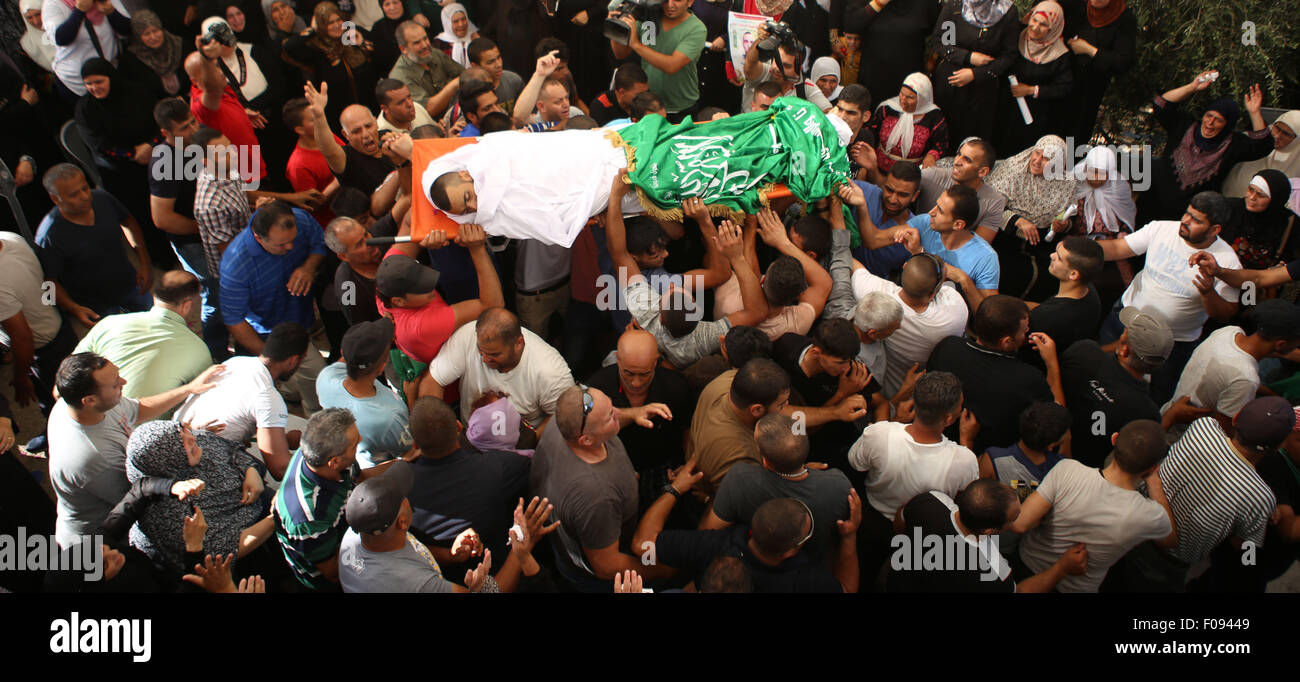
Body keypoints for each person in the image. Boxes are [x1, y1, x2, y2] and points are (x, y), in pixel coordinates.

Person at [48, 352, 222, 548]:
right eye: (115, 383)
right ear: (89, 401)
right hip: (99, 546)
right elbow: (140, 496)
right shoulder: (92, 457)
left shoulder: (91, 405)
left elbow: (138, 410)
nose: (124, 381)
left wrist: (189, 389)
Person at [1128, 398, 1291, 592]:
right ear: (1278, 447)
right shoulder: (1260, 496)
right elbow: (1242, 546)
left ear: (1237, 417)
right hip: (1166, 562)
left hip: (1133, 522)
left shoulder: (1203, 426)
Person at [1097, 191, 1241, 404]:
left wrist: (1208, 293)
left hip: (1173, 345)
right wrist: (1082, 248)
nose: (1185, 221)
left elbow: (1225, 314)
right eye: (1187, 214)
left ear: (1215, 229)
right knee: (1100, 376)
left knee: (1150, 398)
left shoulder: (1228, 262)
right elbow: (1119, 248)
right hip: (1124, 322)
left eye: (1196, 220)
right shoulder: (1161, 228)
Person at [1010, 419, 1176, 592]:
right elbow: (1169, 539)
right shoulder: (1148, 514)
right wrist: (1154, 482)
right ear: (1153, 467)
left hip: (1026, 569)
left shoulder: (1067, 470)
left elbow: (1021, 523)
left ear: (1114, 439)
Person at [339, 462, 555, 593]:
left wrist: (450, 556)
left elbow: (406, 549)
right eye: (404, 496)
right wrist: (522, 548)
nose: (408, 495)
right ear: (402, 522)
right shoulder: (419, 584)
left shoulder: (359, 531)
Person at [848, 370, 980, 579]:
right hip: (920, 537)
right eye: (960, 407)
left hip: (872, 522)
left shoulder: (878, 434)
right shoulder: (963, 459)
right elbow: (966, 499)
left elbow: (856, 463)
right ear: (948, 418)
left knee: (865, 571)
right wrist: (967, 441)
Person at [529, 384, 660, 590]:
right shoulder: (596, 497)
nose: (618, 412)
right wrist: (661, 571)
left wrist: (634, 413)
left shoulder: (565, 418)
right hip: (596, 575)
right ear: (586, 440)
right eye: (610, 417)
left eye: (611, 407)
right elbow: (606, 566)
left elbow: (600, 416)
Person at [637, 478, 861, 592]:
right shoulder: (805, 580)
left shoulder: (714, 545)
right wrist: (849, 538)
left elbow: (642, 545)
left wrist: (675, 488)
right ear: (790, 552)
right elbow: (847, 590)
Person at [273, 408, 401, 590]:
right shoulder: (307, 517)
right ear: (334, 462)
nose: (361, 441)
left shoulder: (325, 457)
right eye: (355, 444)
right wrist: (384, 532)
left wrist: (405, 463)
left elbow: (360, 477)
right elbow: (334, 572)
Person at [124, 420, 269, 576]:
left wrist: (250, 471)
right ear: (170, 462)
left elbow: (231, 449)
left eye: (184, 431)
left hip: (259, 511)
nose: (192, 438)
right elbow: (219, 553)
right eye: (183, 444)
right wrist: (275, 518)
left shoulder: (192, 440)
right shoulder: (165, 512)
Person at [888, 479, 1088, 592]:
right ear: (989, 531)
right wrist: (1062, 568)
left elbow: (900, 521)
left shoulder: (930, 501)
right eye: (1014, 518)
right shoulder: (993, 569)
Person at [702, 413, 852, 558]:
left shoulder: (740, 479)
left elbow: (707, 533)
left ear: (766, 462)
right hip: (811, 566)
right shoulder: (838, 485)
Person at [173, 322, 309, 480]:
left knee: (255, 466)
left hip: (177, 442)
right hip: (195, 467)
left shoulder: (234, 362)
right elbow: (280, 469)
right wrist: (315, 454)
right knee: (258, 474)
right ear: (293, 360)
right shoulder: (268, 396)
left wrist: (283, 441)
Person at [405, 396, 531, 566]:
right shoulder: (496, 467)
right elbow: (528, 463)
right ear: (459, 427)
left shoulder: (401, 487)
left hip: (441, 575)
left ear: (414, 445)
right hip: (495, 566)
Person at [1137, 71, 1273, 226]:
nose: (1210, 123)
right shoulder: (1183, 126)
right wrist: (1192, 87)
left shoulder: (1232, 145)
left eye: (1218, 120)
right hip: (1151, 204)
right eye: (1209, 116)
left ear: (1226, 125)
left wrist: (1255, 113)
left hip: (1189, 219)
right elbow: (1161, 104)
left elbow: (1263, 145)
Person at [927, 295, 1061, 453]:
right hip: (987, 458)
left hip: (936, 437)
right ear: (1007, 342)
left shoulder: (947, 347)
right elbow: (1056, 417)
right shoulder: (1028, 380)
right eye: (1024, 331)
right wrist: (1052, 363)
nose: (1027, 333)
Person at [73, 271, 212, 416]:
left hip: (90, 418)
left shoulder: (108, 323)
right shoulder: (199, 349)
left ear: (154, 297)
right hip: (148, 431)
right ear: (187, 306)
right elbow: (204, 396)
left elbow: (69, 373)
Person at [585, 329, 695, 511]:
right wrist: (633, 413)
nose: (636, 383)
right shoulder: (597, 386)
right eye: (628, 373)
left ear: (655, 362)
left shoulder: (676, 387)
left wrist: (685, 464)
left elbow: (687, 428)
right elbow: (584, 424)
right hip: (612, 470)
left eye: (644, 374)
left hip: (661, 470)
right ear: (617, 360)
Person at [1162, 299, 1300, 440]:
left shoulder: (1228, 332)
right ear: (1281, 344)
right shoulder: (1246, 378)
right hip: (1184, 441)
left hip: (1167, 413)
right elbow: (1225, 433)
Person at [36, 163, 154, 326]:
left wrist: (145, 263)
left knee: (154, 323)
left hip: (130, 284)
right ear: (55, 198)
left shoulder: (101, 198)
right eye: (74, 194)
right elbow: (49, 282)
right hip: (96, 306)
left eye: (85, 188)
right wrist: (74, 308)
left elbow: (128, 222)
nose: (85, 196)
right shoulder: (49, 236)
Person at [420, 307, 575, 429]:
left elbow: (562, 417)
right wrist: (441, 430)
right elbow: (433, 381)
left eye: (494, 354)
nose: (485, 359)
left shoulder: (550, 371)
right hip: (470, 437)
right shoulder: (467, 337)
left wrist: (531, 440)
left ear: (518, 344)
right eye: (480, 351)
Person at [376, 224, 503, 365]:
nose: (431, 287)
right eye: (421, 288)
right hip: (465, 369)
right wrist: (477, 248)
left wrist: (429, 232)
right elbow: (493, 306)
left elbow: (408, 222)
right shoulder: (421, 326)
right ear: (399, 301)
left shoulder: (388, 273)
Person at [1060, 307, 1171, 467]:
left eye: (1123, 335)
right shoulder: (1147, 413)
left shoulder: (1083, 352)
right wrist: (1171, 417)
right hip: (1084, 469)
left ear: (1124, 350)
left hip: (1041, 440)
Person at [0, 230, 77, 452]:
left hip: (43, 348)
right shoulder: (10, 237)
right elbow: (44, 280)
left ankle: (63, 442)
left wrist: (20, 377)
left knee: (62, 400)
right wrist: (46, 306)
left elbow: (23, 337)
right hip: (58, 325)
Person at [850, 254, 969, 396]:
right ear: (932, 294)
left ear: (904, 266)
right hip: (920, 394)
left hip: (887, 389)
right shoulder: (956, 309)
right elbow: (948, 288)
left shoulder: (876, 293)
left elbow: (853, 265)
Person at [984, 134, 1077, 300]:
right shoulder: (1012, 170)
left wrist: (1063, 225)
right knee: (1007, 274)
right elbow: (988, 204)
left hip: (1042, 245)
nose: (1037, 160)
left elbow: (1069, 217)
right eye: (1037, 153)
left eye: (1046, 158)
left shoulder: (1066, 182)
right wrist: (1017, 220)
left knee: (1048, 279)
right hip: (1005, 238)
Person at [316, 318, 413, 469]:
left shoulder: (326, 377)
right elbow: (409, 455)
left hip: (357, 463)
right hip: (382, 473)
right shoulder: (390, 417)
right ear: (381, 369)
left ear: (343, 353)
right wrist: (412, 396)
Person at [690, 358, 792, 498]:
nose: (786, 407)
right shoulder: (740, 456)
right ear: (756, 410)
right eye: (781, 405)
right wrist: (794, 476)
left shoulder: (727, 380)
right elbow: (732, 506)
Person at [891, 184, 1000, 308]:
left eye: (940, 211)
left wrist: (964, 280)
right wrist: (900, 235)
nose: (931, 212)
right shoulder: (925, 222)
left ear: (958, 224)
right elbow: (877, 240)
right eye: (936, 205)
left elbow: (987, 315)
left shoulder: (986, 258)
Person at [930, 0, 1020, 146]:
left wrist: (975, 74)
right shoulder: (956, 6)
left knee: (973, 140)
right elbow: (942, 42)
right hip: (950, 84)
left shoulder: (1007, 11)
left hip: (981, 89)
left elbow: (1009, 55)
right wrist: (968, 57)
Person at [185, 33, 267, 183]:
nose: (220, 72)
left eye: (216, 66)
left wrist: (241, 113)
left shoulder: (221, 89)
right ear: (194, 81)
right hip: (244, 178)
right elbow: (213, 90)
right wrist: (206, 58)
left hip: (255, 164)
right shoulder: (200, 103)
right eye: (209, 69)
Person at [1056, 145, 1139, 290]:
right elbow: (1062, 212)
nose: (1096, 178)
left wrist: (1123, 234)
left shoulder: (1119, 188)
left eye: (1101, 174)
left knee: (1117, 283)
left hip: (1109, 245)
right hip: (1077, 241)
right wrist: (1062, 223)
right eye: (1092, 172)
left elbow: (1126, 220)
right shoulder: (1073, 182)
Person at [997, 1, 1074, 154]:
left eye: (1043, 25)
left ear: (1054, 28)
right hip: (1004, 108)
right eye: (1034, 20)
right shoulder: (1017, 37)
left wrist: (1031, 90)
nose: (1035, 27)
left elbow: (1065, 87)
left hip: (1035, 117)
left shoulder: (1060, 54)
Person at [283, 2, 381, 123]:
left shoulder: (353, 33)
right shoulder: (315, 47)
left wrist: (362, 44)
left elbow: (379, 58)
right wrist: (313, 29)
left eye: (338, 20)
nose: (336, 25)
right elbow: (289, 47)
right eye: (330, 23)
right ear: (321, 25)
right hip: (338, 113)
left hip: (370, 105)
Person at [609, 0, 707, 120]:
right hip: (649, 106)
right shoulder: (649, 20)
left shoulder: (696, 28)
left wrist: (636, 45)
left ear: (690, 2)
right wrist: (615, 26)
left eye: (678, 0)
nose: (670, 5)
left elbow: (672, 66)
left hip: (680, 107)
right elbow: (620, 54)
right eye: (665, 0)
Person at [302, 80, 400, 198]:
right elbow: (328, 151)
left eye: (368, 126)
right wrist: (319, 117)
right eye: (356, 131)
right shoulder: (347, 158)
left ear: (376, 122)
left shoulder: (387, 136)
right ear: (345, 135)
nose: (365, 134)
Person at [1060, 0, 1136, 143]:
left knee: (1072, 140)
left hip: (1088, 92)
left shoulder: (1124, 18)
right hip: (1060, 82)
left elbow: (1123, 62)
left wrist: (1090, 50)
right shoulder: (1076, 5)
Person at [840, 0, 941, 106]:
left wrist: (933, 61)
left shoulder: (925, 3)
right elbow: (851, 24)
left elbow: (943, 29)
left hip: (909, 80)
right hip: (874, 77)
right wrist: (878, 3)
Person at [911, 138, 1006, 241]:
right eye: (959, 154)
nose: (957, 162)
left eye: (967, 160)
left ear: (983, 172)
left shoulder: (995, 202)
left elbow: (978, 248)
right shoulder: (931, 175)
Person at [43, 0, 132, 98]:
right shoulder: (53, 4)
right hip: (76, 82)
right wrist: (79, 11)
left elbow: (127, 30)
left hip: (110, 72)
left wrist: (111, 12)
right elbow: (61, 39)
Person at [867, 73, 948, 174]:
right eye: (902, 94)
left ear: (922, 99)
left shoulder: (934, 117)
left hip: (910, 174)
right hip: (878, 168)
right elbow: (871, 132)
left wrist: (931, 155)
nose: (903, 100)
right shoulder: (887, 108)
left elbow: (941, 144)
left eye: (910, 97)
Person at [740, 29, 831, 115]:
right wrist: (761, 39)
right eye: (777, 61)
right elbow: (750, 63)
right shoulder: (764, 72)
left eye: (786, 66)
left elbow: (830, 113)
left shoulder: (805, 86)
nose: (777, 68)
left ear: (798, 69)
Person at [283, 97, 342, 227]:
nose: (321, 120)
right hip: (334, 225)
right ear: (300, 130)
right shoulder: (298, 165)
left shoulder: (327, 136)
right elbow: (312, 206)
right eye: (313, 119)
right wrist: (338, 180)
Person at [386, 19, 463, 119]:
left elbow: (463, 74)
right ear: (403, 49)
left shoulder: (434, 54)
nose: (425, 45)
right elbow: (427, 110)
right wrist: (453, 85)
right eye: (417, 42)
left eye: (425, 39)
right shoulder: (400, 76)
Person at [1220, 169, 1295, 270]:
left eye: (1261, 195)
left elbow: (1289, 257)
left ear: (1275, 200)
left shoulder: (1287, 222)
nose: (1252, 197)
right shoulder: (1228, 208)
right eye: (1251, 189)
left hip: (1253, 283)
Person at [1222, 110, 1300, 198]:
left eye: (1286, 134)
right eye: (1277, 128)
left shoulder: (1297, 158)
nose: (1277, 136)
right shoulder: (1252, 141)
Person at [125, 9, 186, 96]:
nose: (153, 37)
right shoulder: (132, 59)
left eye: (155, 31)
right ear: (138, 36)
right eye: (146, 34)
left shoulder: (180, 46)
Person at [466, 37, 524, 111]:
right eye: (491, 62)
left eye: (499, 58)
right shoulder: (469, 92)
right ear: (475, 66)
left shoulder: (514, 80)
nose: (499, 65)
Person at [589, 62, 649, 126]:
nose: (645, 97)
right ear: (622, 92)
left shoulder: (649, 101)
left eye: (647, 92)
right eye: (640, 94)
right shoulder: (601, 107)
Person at [432, 3, 477, 68]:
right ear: (447, 23)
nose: (461, 24)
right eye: (456, 21)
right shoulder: (439, 44)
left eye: (463, 19)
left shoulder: (474, 37)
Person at [19, 0, 55, 74]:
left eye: (38, 14)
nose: (36, 21)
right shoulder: (28, 43)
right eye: (29, 17)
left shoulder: (66, 21)